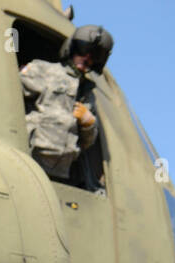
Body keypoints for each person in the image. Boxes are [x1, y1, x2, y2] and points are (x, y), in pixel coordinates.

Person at [21, 24, 114, 181]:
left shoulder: (86, 91)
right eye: (83, 50)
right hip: (31, 160)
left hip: (61, 171)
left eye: (94, 55)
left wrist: (88, 124)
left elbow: (87, 142)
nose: (87, 58)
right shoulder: (44, 70)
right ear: (72, 48)